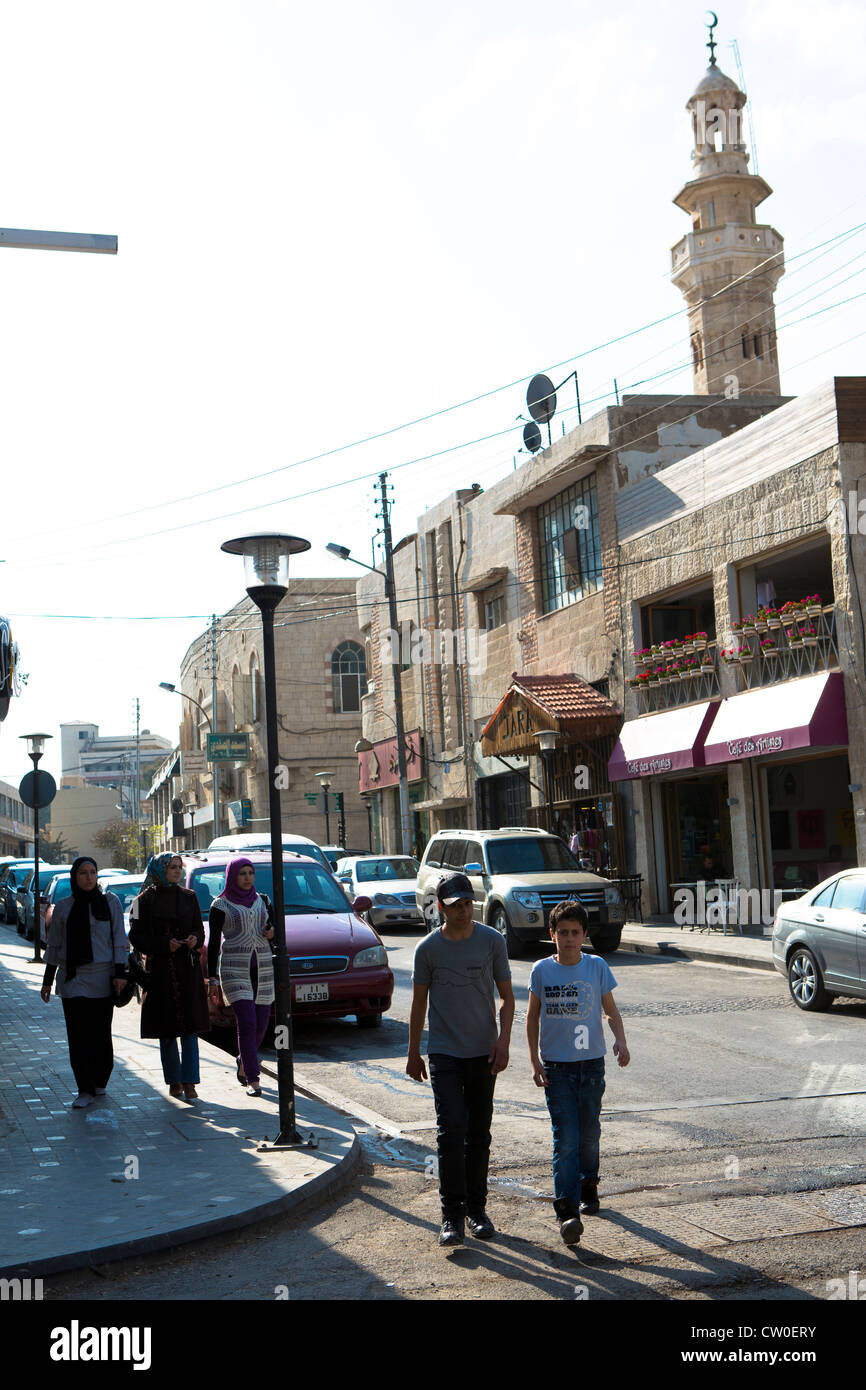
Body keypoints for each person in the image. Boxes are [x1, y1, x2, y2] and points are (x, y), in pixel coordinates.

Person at [407, 872, 514, 1247]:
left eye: (468, 904)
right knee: (451, 1130)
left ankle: (477, 1210)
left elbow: (507, 997)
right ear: (441, 908)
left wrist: (503, 1041)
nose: (463, 911)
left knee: (478, 1134)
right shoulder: (428, 949)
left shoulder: (492, 941)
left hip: (483, 1051)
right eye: (455, 906)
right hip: (444, 1052)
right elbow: (418, 1004)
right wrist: (412, 1053)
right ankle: (451, 1215)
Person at [526, 899, 630, 1244]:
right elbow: (531, 1017)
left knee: (589, 1133)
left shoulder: (597, 966)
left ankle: (589, 1184)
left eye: (575, 933)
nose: (569, 939)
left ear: (584, 934)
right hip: (556, 1069)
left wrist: (621, 1041)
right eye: (563, 933)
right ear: (552, 935)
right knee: (565, 1138)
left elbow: (610, 1009)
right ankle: (566, 1211)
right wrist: (534, 1060)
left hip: (591, 1066)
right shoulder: (542, 971)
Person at [40, 857, 128, 1108]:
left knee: (100, 1035)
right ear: (74, 877)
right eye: (83, 873)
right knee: (78, 1037)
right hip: (73, 978)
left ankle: (100, 1080)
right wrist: (47, 981)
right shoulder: (64, 907)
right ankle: (84, 1088)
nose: (89, 877)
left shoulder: (109, 902)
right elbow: (55, 946)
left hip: (103, 977)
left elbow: (119, 940)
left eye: (93, 872)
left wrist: (120, 973)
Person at [129, 853, 209, 1101]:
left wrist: (195, 939)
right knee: (167, 1029)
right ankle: (174, 1080)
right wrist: (165, 944)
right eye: (171, 867)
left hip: (188, 969)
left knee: (190, 1027)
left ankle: (190, 1081)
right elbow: (136, 937)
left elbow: (199, 928)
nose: (176, 871)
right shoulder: (143, 900)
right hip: (161, 971)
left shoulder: (189, 897)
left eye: (178, 867)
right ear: (159, 870)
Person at [206, 858, 275, 1097]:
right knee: (247, 1022)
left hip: (263, 968)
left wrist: (272, 932)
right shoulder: (220, 905)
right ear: (232, 876)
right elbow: (214, 943)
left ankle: (243, 1059)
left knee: (262, 1022)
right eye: (242, 874)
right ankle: (253, 1079)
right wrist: (211, 978)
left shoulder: (263, 900)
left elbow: (275, 929)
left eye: (250, 873)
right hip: (234, 969)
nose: (247, 878)